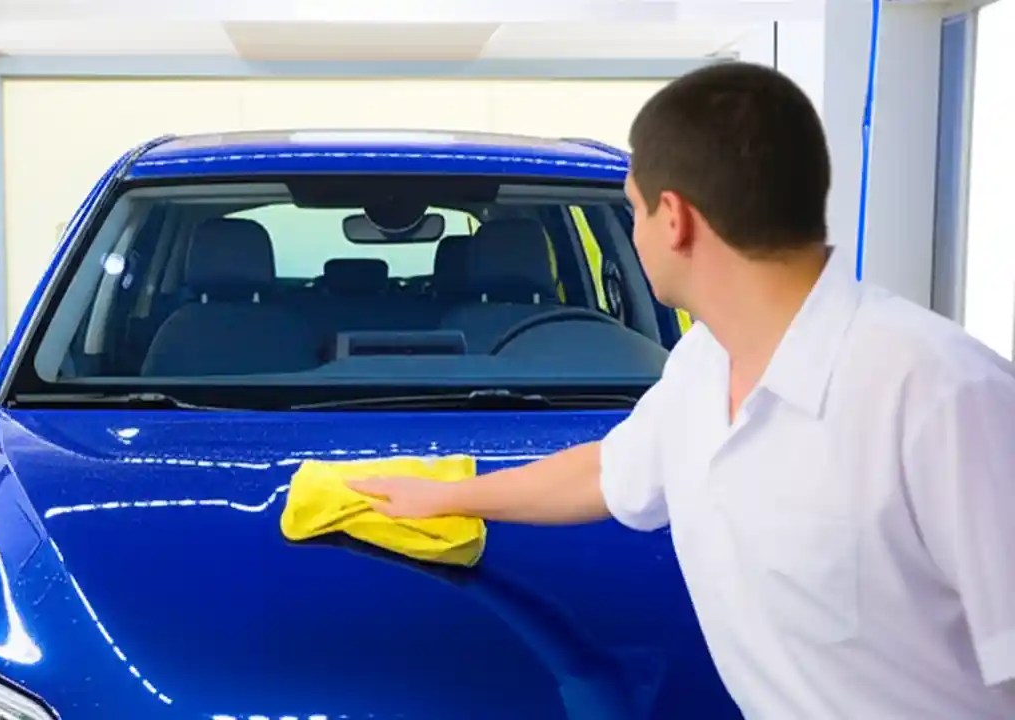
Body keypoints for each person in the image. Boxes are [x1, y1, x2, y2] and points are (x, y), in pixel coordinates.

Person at [349, 62, 1015, 718]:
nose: (637, 234)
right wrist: (447, 497)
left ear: (674, 219)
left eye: (634, 212)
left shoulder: (942, 395)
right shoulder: (702, 363)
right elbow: (610, 470)